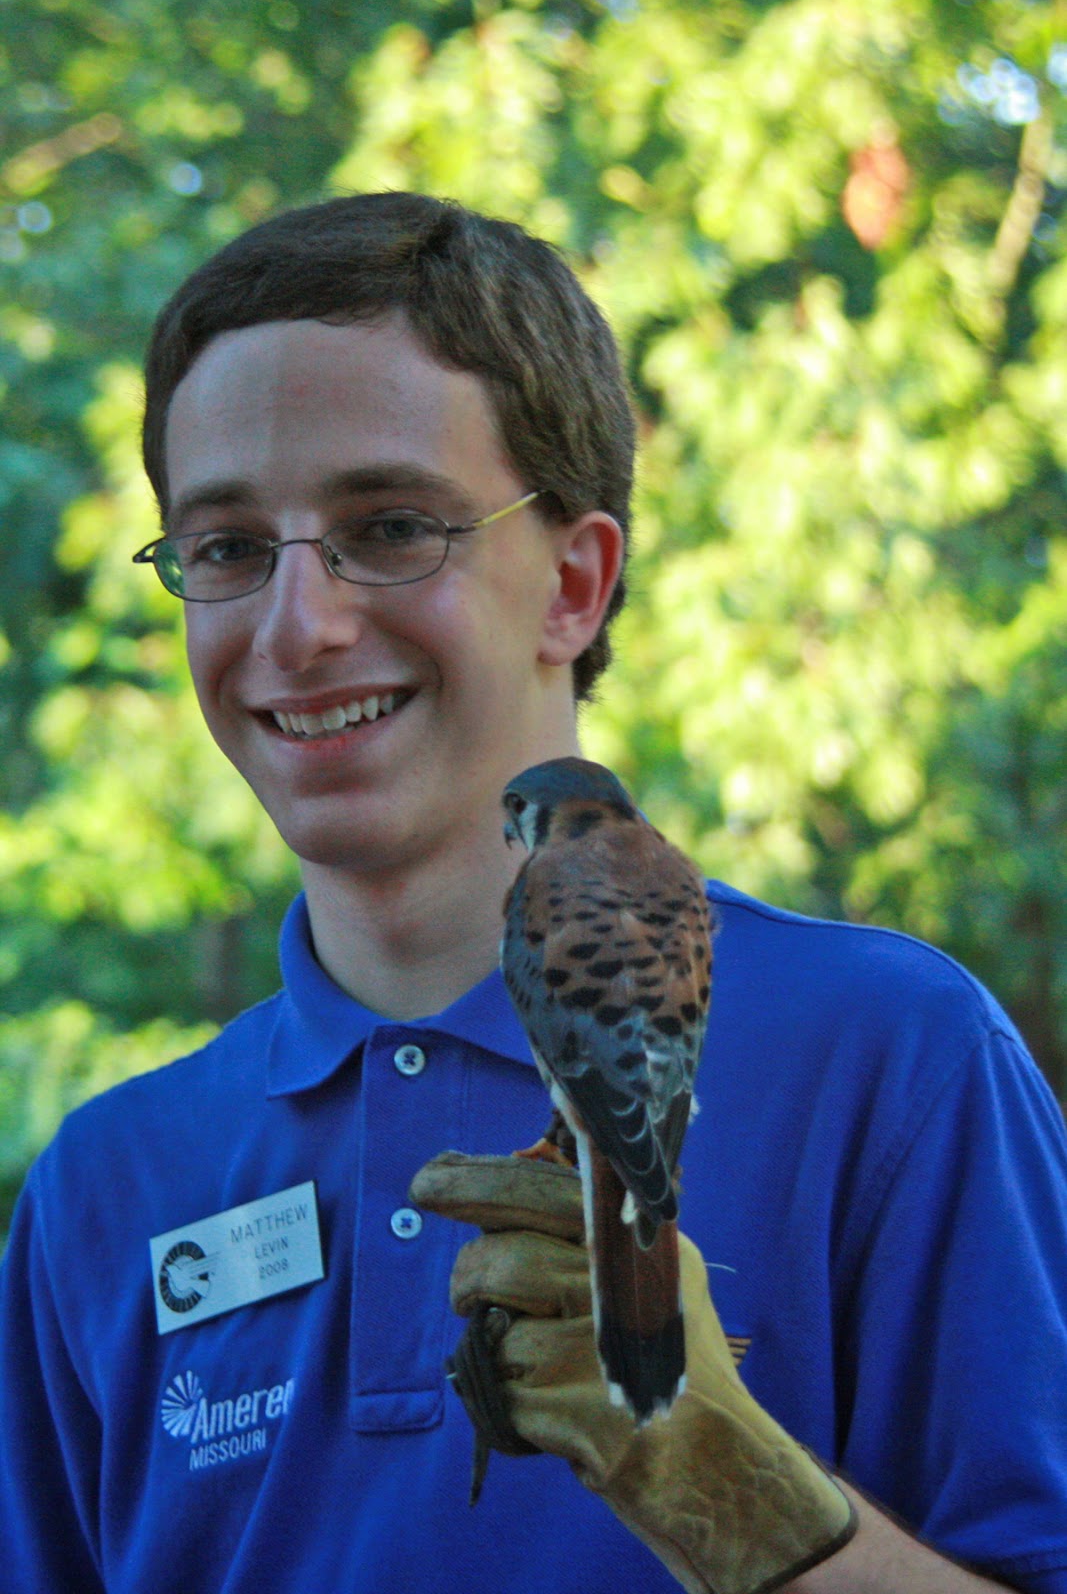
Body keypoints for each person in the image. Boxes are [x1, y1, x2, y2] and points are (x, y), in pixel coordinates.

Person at [0, 190, 1065, 1594]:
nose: (299, 625)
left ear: (576, 582)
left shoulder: (890, 1058)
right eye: (228, 549)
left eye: (390, 527)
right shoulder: (103, 1187)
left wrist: (752, 1512)